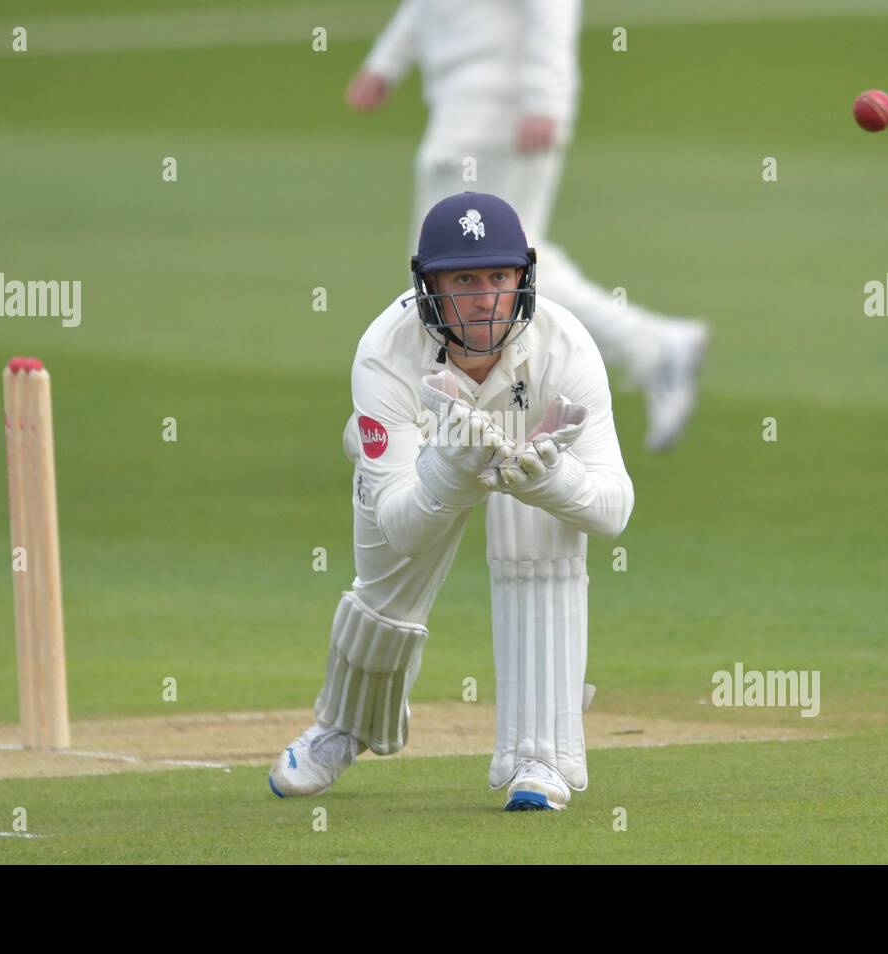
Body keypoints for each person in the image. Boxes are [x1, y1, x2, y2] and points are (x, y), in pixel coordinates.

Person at [269, 192, 634, 810]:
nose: (486, 296)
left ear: (525, 275)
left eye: (499, 275)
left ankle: (538, 755)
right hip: (419, 451)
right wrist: (450, 469)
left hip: (522, 448)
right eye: (464, 278)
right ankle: (344, 726)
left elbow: (613, 510)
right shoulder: (386, 351)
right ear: (428, 285)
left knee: (535, 523)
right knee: (387, 589)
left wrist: (549, 482)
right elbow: (401, 528)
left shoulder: (565, 347)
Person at [346, 0, 709, 452]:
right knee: (502, 267)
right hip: (465, 108)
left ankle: (445, 422)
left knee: (458, 270)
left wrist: (543, 99)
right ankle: (652, 347)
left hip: (499, 114)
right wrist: (386, 63)